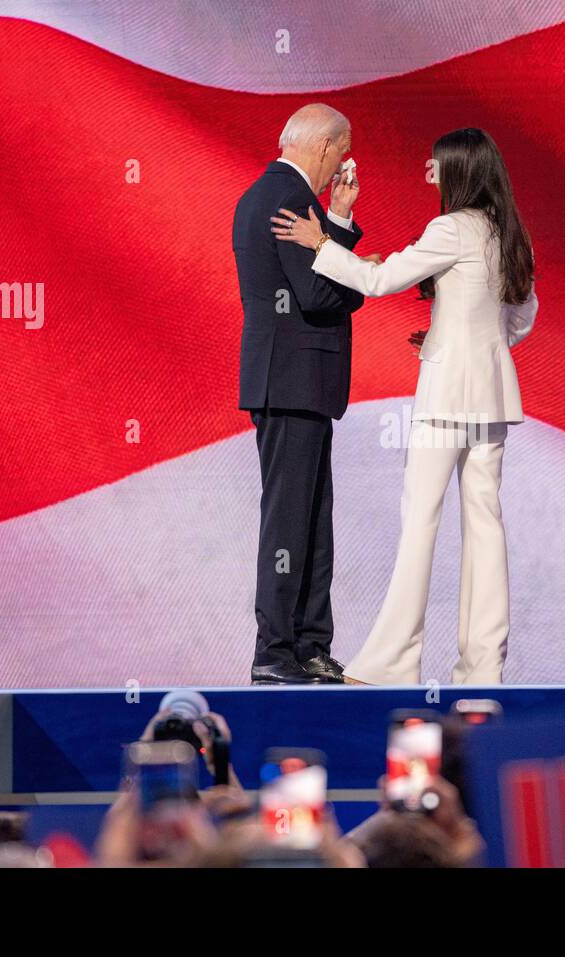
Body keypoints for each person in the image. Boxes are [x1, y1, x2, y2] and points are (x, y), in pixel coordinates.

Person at [272, 128, 537, 685]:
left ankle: (392, 663)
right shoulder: (506, 231)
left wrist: (321, 245)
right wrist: (457, 337)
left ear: (460, 171)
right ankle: (482, 669)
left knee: (420, 521)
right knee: (485, 526)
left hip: (446, 399)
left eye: (438, 164)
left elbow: (382, 277)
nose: (430, 170)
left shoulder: (452, 227)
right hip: (491, 395)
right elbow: (519, 315)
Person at [233, 103, 365, 685]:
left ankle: (309, 647)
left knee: (313, 519)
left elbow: (312, 278)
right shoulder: (288, 199)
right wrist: (362, 280)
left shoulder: (269, 193)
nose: (344, 163)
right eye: (343, 150)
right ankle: (275, 652)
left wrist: (336, 221)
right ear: (324, 146)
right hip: (290, 382)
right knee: (290, 522)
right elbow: (318, 295)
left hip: (294, 384)